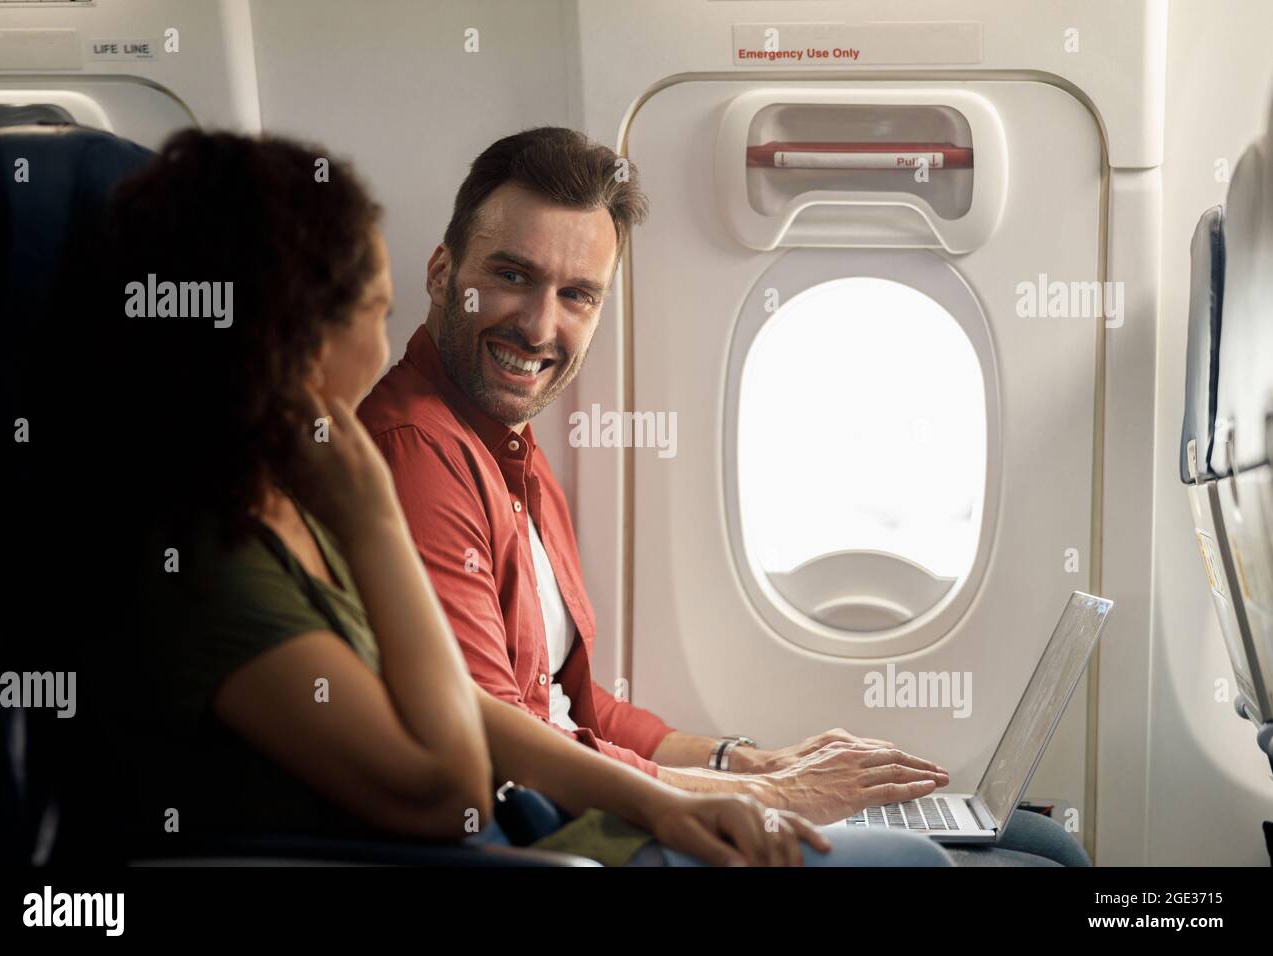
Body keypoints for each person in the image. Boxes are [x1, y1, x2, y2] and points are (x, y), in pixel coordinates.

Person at [57, 127, 952, 867]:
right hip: (503, 848)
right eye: (374, 310)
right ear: (288, 345)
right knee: (927, 864)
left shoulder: (295, 506)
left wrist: (699, 785)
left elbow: (490, 706)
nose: (389, 340)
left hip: (526, 829)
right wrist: (371, 525)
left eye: (577, 295)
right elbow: (450, 786)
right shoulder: (215, 565)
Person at [358, 126, 1091, 866]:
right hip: (554, 831)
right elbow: (502, 745)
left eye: (577, 294)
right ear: (443, 270)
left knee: (1042, 845)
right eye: (513, 276)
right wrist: (770, 798)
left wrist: (747, 762)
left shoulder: (508, 444)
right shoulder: (418, 452)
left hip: (589, 801)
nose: (541, 326)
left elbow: (577, 708)